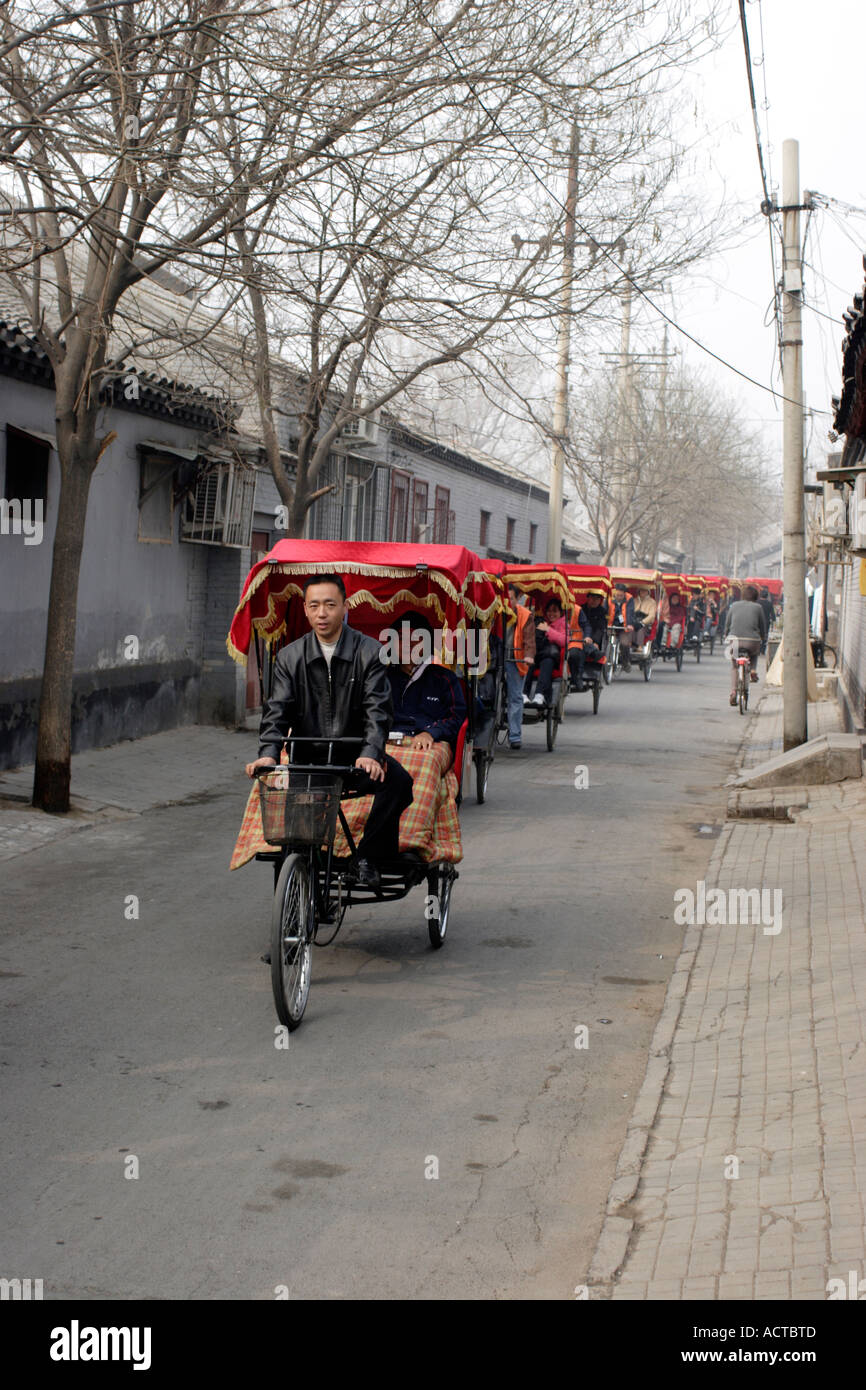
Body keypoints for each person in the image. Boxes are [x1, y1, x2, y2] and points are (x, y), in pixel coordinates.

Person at [246, 573, 414, 889]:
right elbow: (276, 712)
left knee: (400, 784)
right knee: (293, 842)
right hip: (308, 759)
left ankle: (367, 857)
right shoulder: (289, 657)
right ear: (306, 611)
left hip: (354, 759)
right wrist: (268, 755)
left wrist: (370, 754)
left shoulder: (370, 652)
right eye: (314, 606)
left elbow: (378, 712)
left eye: (329, 605)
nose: (322, 613)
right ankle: (294, 891)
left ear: (344, 607)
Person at [386, 615, 467, 759]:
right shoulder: (382, 678)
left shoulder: (445, 679)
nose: (407, 643)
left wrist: (430, 733)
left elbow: (456, 717)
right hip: (390, 740)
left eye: (416, 637)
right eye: (400, 637)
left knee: (423, 760)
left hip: (433, 743)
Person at [724, 582, 768, 705]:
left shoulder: (734, 606)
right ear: (755, 597)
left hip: (735, 641)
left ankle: (733, 692)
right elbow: (762, 626)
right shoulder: (758, 608)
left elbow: (727, 623)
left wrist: (726, 634)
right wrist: (763, 637)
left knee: (734, 666)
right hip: (752, 641)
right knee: (754, 654)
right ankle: (753, 670)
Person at [503, 583, 535, 749]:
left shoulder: (525, 615)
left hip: (516, 659)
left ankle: (515, 736)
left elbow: (529, 639)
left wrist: (529, 656)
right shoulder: (496, 611)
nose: (508, 603)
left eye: (511, 599)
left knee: (515, 696)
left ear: (517, 599)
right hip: (496, 658)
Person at [525, 597, 567, 705]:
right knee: (530, 661)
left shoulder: (563, 624)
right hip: (538, 652)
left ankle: (540, 694)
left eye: (555, 611)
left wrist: (548, 630)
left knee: (547, 661)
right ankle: (524, 693)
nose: (551, 614)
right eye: (549, 611)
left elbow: (563, 640)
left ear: (560, 612)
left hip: (551, 656)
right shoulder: (540, 621)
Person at [610, 582, 635, 670]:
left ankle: (625, 662)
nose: (619, 597)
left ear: (624, 594)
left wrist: (629, 625)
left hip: (624, 626)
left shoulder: (630, 599)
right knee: (604, 642)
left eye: (621, 595)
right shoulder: (609, 597)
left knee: (624, 643)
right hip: (611, 625)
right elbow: (605, 610)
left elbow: (630, 612)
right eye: (617, 595)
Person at [757, 586, 776, 653]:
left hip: (758, 621)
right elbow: (773, 614)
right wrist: (774, 620)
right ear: (767, 596)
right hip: (766, 622)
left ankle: (757, 648)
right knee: (765, 635)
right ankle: (763, 649)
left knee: (757, 634)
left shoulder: (757, 602)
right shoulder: (769, 603)